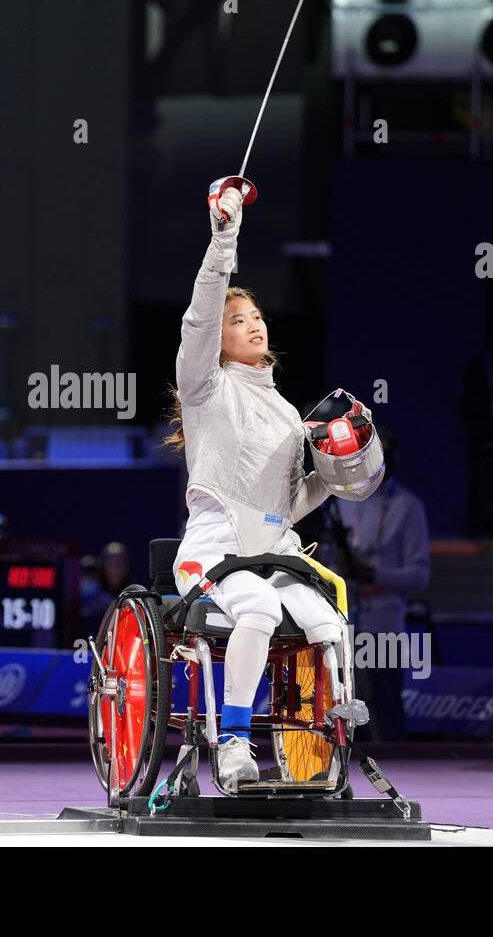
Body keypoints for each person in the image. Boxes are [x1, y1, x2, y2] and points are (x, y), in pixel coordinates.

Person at [165, 180, 358, 786]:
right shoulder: (205, 388)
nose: (252, 326)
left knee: (328, 622)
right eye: (237, 320)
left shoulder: (285, 414)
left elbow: (291, 503)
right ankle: (235, 743)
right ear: (216, 342)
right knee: (259, 606)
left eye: (256, 317)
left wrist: (336, 474)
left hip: (274, 553)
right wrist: (225, 235)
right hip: (213, 554)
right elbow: (200, 313)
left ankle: (331, 740)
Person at [319, 429, 430, 741]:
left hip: (385, 627)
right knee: (346, 710)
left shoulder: (408, 507)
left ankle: (400, 777)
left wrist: (372, 574)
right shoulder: (342, 503)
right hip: (343, 623)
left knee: (385, 710)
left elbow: (420, 576)